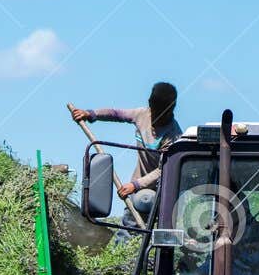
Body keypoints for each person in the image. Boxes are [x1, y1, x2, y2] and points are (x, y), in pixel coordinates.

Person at [71, 82, 179, 222]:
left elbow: (163, 170)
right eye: (156, 112)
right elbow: (116, 114)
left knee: (144, 201)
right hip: (137, 188)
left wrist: (135, 185)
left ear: (172, 108)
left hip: (160, 193)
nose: (158, 117)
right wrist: (90, 114)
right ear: (150, 105)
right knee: (127, 229)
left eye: (164, 113)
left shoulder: (173, 136)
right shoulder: (142, 115)